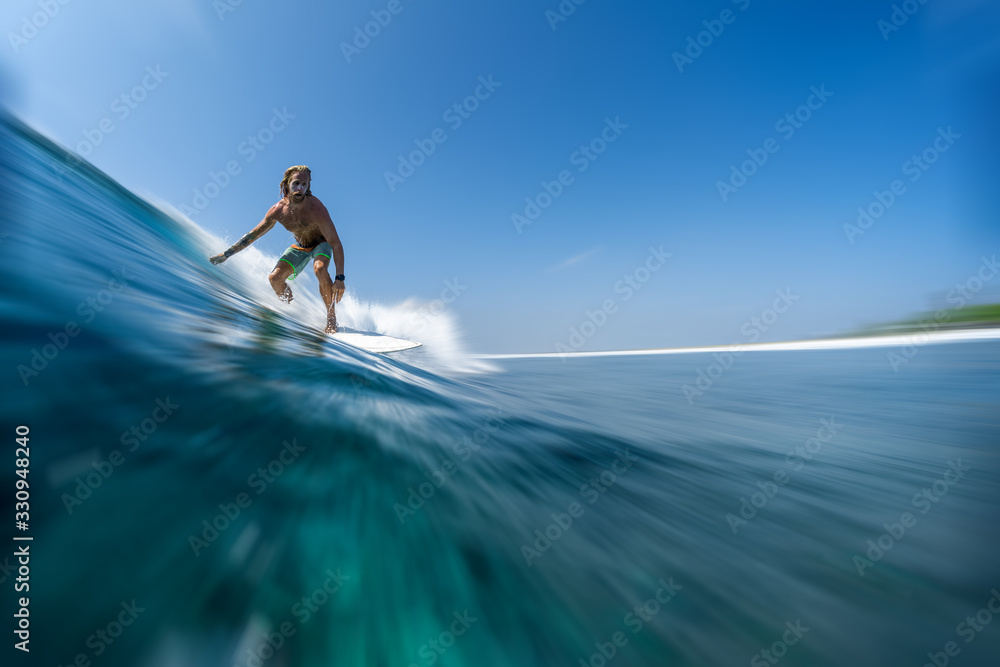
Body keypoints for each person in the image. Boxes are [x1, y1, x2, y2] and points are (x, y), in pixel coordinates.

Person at [209, 165, 346, 333]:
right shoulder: (278, 210)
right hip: (300, 247)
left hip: (321, 244)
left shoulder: (317, 208)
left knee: (319, 268)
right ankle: (292, 309)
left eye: (305, 184)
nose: (300, 188)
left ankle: (331, 318)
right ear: (287, 184)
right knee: (274, 278)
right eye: (296, 183)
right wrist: (227, 254)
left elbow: (336, 243)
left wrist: (340, 278)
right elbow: (252, 236)